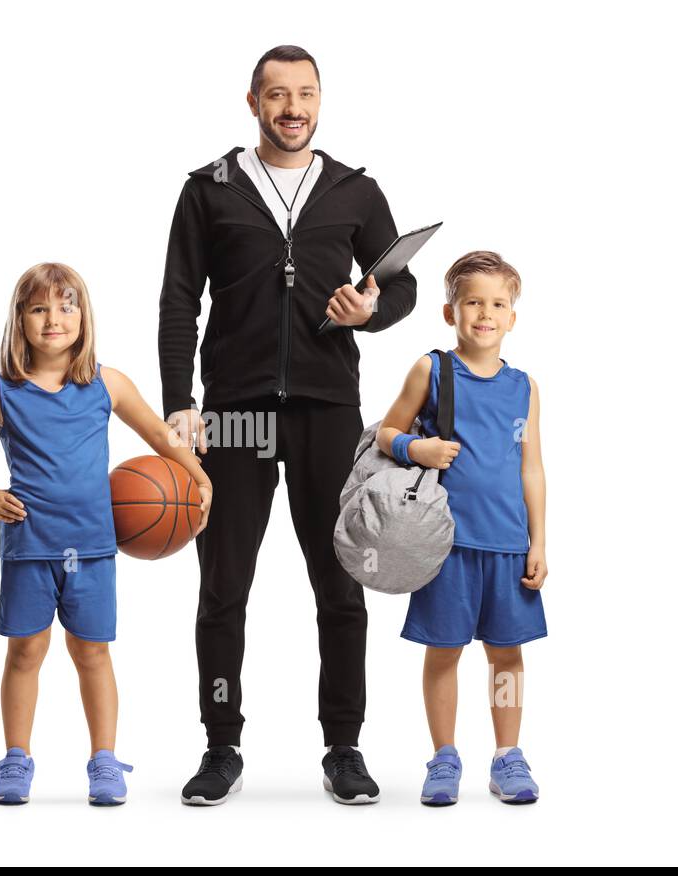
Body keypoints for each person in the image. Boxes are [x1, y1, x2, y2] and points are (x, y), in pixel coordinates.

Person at [158, 45, 418, 805]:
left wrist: (371, 312)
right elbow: (179, 300)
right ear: (253, 103)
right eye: (277, 95)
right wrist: (181, 399)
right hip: (235, 415)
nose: (292, 107)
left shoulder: (354, 191)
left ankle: (345, 745)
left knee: (340, 584)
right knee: (223, 586)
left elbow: (398, 287)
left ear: (320, 100)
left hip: (326, 411)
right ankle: (220, 743)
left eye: (304, 93)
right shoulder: (208, 188)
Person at [0, 262, 212, 807]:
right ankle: (16, 759)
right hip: (28, 545)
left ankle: (104, 762)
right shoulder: (0, 392)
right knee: (25, 652)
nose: (53, 319)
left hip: (92, 547)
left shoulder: (107, 383)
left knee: (92, 653)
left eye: (67, 306)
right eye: (39, 308)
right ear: (19, 319)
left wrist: (198, 474)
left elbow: (160, 433)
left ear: (84, 317)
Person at [375, 251, 547, 806]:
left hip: (507, 545)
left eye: (498, 303)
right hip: (443, 542)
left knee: (506, 654)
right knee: (444, 649)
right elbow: (386, 433)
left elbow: (531, 466)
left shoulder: (525, 387)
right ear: (450, 312)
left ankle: (507, 757)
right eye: (473, 301)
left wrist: (538, 541)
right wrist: (415, 446)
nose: (485, 313)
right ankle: (444, 756)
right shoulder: (433, 369)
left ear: (513, 318)